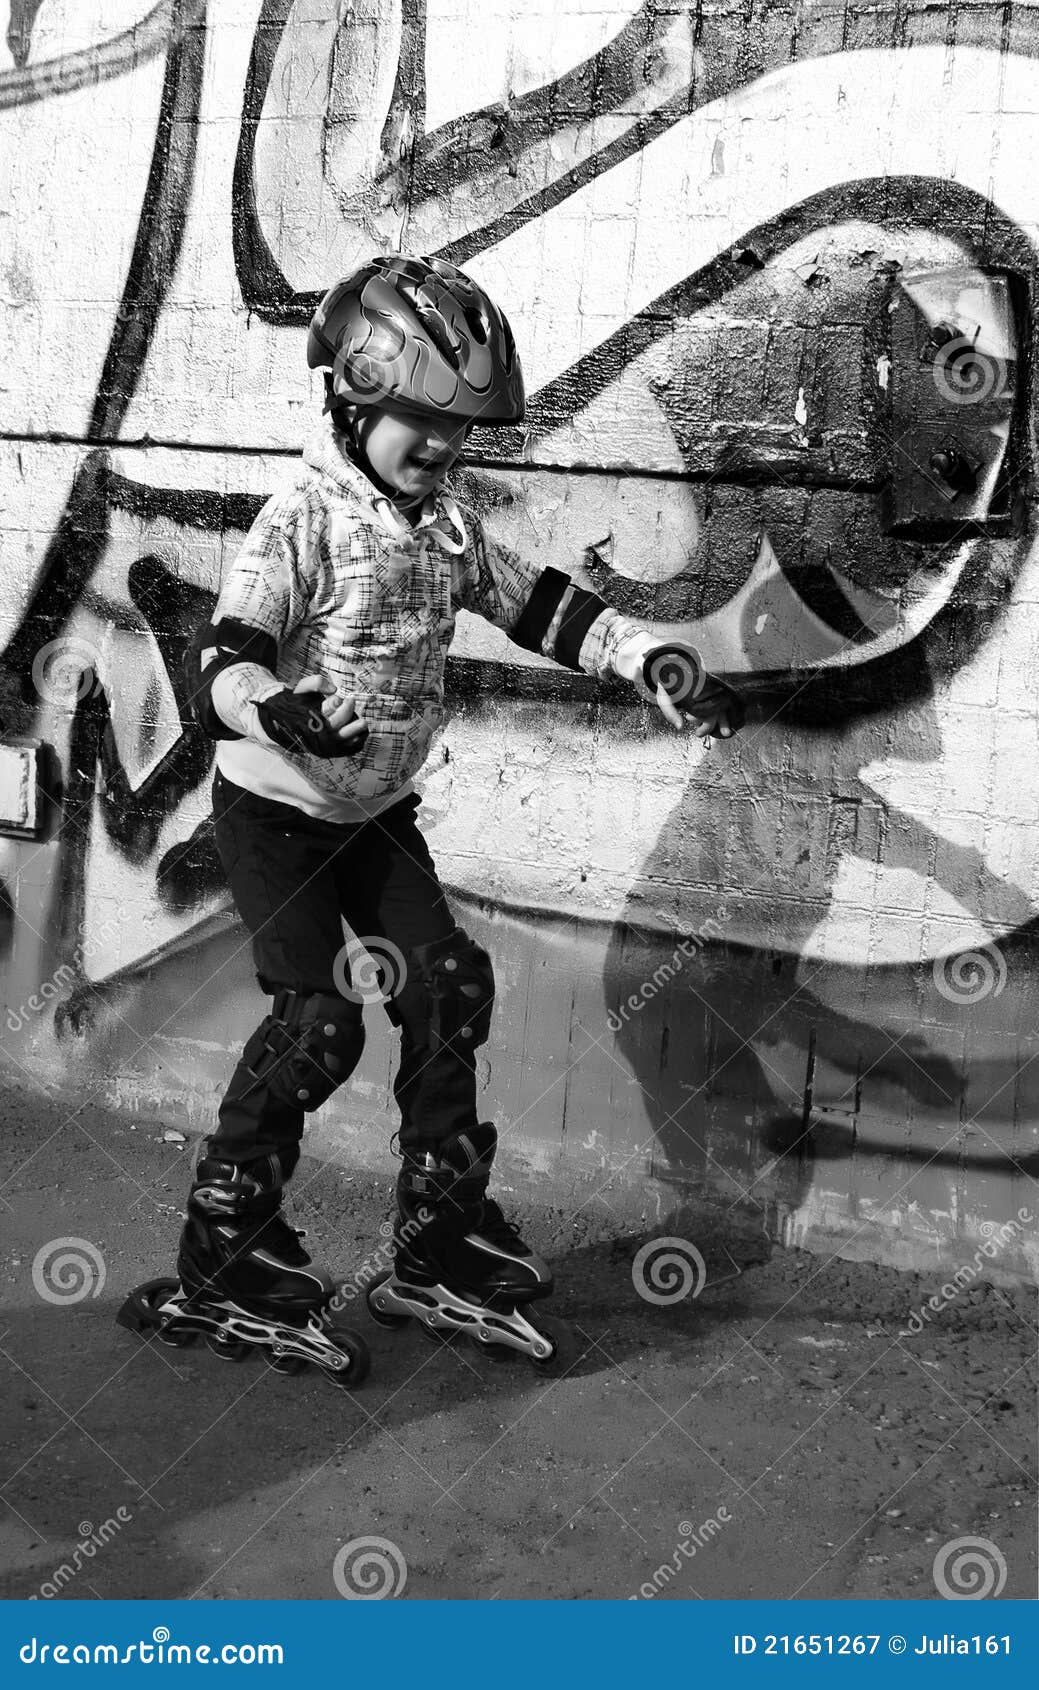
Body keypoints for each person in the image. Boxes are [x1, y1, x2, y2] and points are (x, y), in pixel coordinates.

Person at [118, 253, 744, 1382]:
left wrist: (644, 656)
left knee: (448, 988)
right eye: (425, 419)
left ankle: (436, 1238)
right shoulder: (301, 521)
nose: (446, 444)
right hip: (277, 818)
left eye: (460, 426)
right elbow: (221, 662)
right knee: (319, 1025)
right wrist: (274, 708)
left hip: (374, 817)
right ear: (352, 399)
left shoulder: (445, 526)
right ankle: (225, 1251)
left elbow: (540, 605)